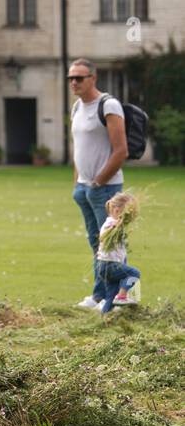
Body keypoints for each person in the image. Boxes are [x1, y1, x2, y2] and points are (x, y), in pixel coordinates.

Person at [69, 58, 129, 310]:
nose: (74, 83)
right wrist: (78, 184)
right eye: (71, 78)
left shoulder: (108, 105)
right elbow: (79, 148)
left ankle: (116, 296)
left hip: (105, 188)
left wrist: (98, 182)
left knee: (111, 246)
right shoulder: (76, 107)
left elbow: (121, 150)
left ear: (93, 78)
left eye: (79, 78)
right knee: (96, 243)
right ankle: (99, 295)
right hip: (84, 187)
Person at [93, 191, 141, 315]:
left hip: (106, 266)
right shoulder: (110, 224)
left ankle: (105, 317)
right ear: (116, 210)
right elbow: (103, 235)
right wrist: (116, 226)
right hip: (109, 265)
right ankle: (122, 296)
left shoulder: (117, 224)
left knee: (110, 295)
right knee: (134, 273)